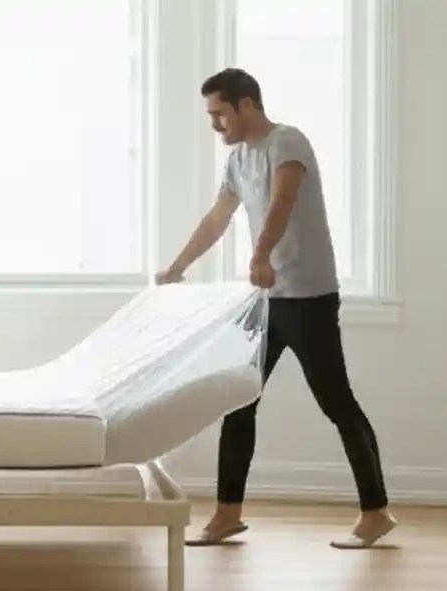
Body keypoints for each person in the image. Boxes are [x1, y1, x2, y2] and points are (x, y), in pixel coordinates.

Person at [156, 68, 397, 550]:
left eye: (219, 114)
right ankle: (227, 515)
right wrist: (176, 266)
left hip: (308, 299)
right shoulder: (237, 161)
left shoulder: (289, 143)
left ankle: (376, 513)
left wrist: (261, 253)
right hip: (265, 301)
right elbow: (217, 218)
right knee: (239, 400)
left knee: (337, 403)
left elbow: (282, 201)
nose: (215, 126)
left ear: (246, 105)